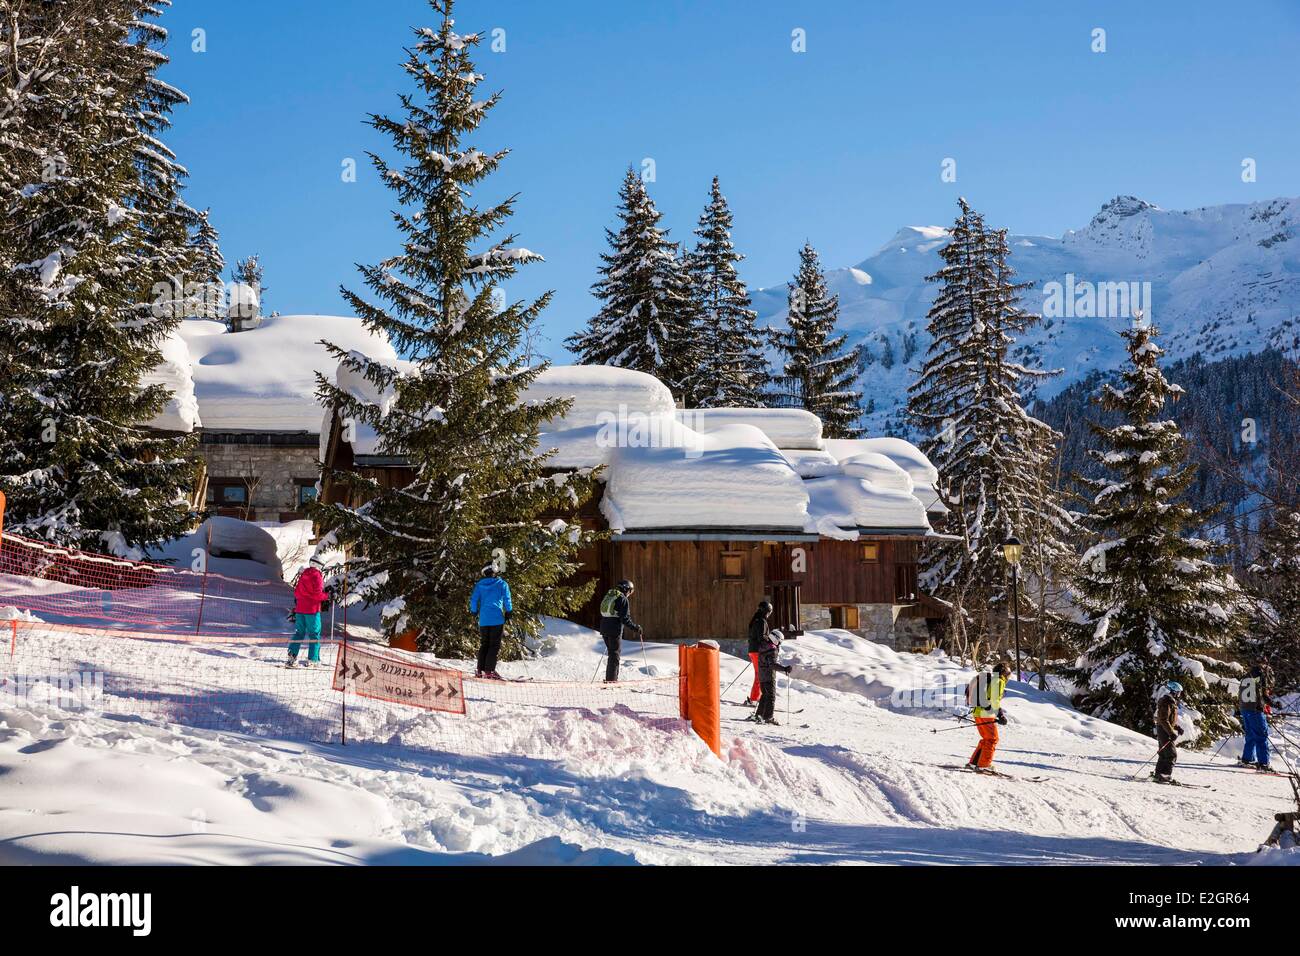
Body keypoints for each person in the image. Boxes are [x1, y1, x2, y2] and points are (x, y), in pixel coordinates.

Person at [469, 564, 512, 679]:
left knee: (484, 644)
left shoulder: (479, 585)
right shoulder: (502, 584)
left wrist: (474, 611)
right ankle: (489, 671)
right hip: (497, 619)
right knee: (493, 646)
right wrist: (509, 612)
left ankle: (480, 670)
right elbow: (507, 599)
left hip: (483, 620)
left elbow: (473, 599)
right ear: (495, 571)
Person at [965, 661, 1010, 772]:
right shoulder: (998, 681)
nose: (1009, 676)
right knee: (992, 739)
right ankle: (984, 765)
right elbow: (994, 700)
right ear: (1004, 673)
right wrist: (1000, 715)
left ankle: (974, 762)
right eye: (1009, 673)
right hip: (986, 713)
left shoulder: (989, 679)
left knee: (986, 739)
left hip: (977, 712)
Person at [287, 556, 329, 668]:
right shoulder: (317, 576)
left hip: (300, 610)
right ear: (319, 565)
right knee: (314, 634)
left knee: (299, 632)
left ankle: (292, 656)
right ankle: (313, 660)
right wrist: (327, 596)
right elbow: (317, 595)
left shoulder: (304, 574)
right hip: (312, 610)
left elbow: (296, 592)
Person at [753, 605, 791, 725]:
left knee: (764, 695)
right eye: (780, 642)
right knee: (771, 697)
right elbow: (772, 664)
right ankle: (768, 717)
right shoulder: (772, 650)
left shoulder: (764, 646)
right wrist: (784, 668)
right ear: (776, 640)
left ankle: (759, 715)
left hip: (762, 675)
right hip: (769, 676)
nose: (779, 644)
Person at [598, 580, 641, 682]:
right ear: (626, 589)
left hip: (604, 628)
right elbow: (624, 618)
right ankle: (612, 680)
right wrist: (635, 628)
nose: (629, 594)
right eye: (630, 591)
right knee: (614, 655)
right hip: (614, 630)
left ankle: (611, 679)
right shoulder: (622, 599)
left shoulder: (610, 596)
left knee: (612, 654)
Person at [1238, 664, 1273, 770]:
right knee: (1261, 736)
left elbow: (1239, 693)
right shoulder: (1260, 675)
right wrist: (1273, 704)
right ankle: (1264, 763)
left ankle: (1247, 759)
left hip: (1244, 709)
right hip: (1255, 709)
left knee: (1251, 735)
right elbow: (1263, 694)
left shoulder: (1246, 676)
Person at [745, 599, 773, 708]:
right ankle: (754, 698)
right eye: (769, 612)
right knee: (759, 675)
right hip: (758, 651)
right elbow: (762, 637)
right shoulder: (761, 621)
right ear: (765, 611)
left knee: (759, 674)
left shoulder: (755, 620)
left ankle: (755, 697)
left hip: (754, 650)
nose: (769, 614)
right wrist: (770, 642)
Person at [1153, 680, 1184, 783]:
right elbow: (1163, 719)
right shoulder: (1167, 703)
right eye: (1179, 692)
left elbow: (1168, 720)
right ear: (1174, 692)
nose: (1179, 695)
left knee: (1164, 753)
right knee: (1171, 754)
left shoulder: (1169, 702)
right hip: (1164, 730)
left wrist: (1177, 728)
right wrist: (1171, 732)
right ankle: (1165, 775)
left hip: (1163, 729)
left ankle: (1158, 774)